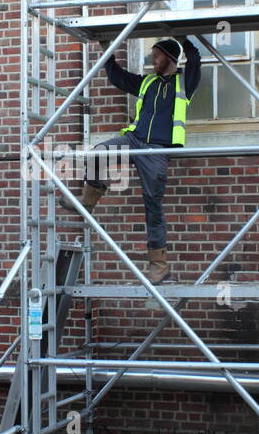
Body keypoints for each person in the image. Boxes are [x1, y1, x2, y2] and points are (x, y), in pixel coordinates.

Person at [78, 36, 202, 284]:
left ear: (169, 58)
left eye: (156, 55)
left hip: (157, 150)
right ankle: (89, 200)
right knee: (97, 153)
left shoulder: (184, 83)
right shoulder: (147, 82)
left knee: (153, 208)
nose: (151, 59)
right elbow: (118, 78)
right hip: (133, 140)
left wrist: (183, 35)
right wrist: (107, 50)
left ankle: (159, 266)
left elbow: (195, 61)